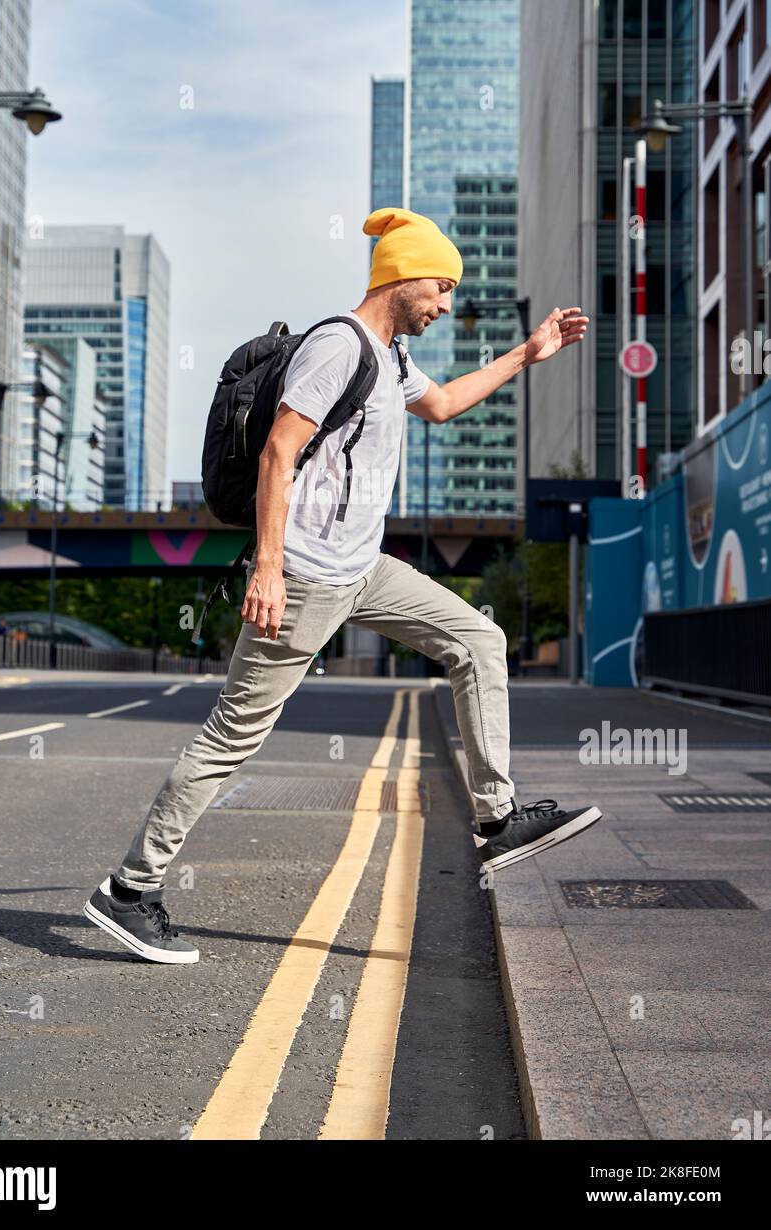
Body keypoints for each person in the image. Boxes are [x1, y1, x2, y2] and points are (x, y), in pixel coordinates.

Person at [84, 207, 601, 963]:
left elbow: (447, 404)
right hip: (301, 577)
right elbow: (277, 456)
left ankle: (496, 820)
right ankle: (129, 890)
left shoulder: (391, 360)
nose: (446, 305)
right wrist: (266, 565)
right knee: (232, 738)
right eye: (442, 288)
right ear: (404, 275)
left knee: (477, 639)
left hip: (363, 572)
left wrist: (528, 353)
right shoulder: (339, 346)